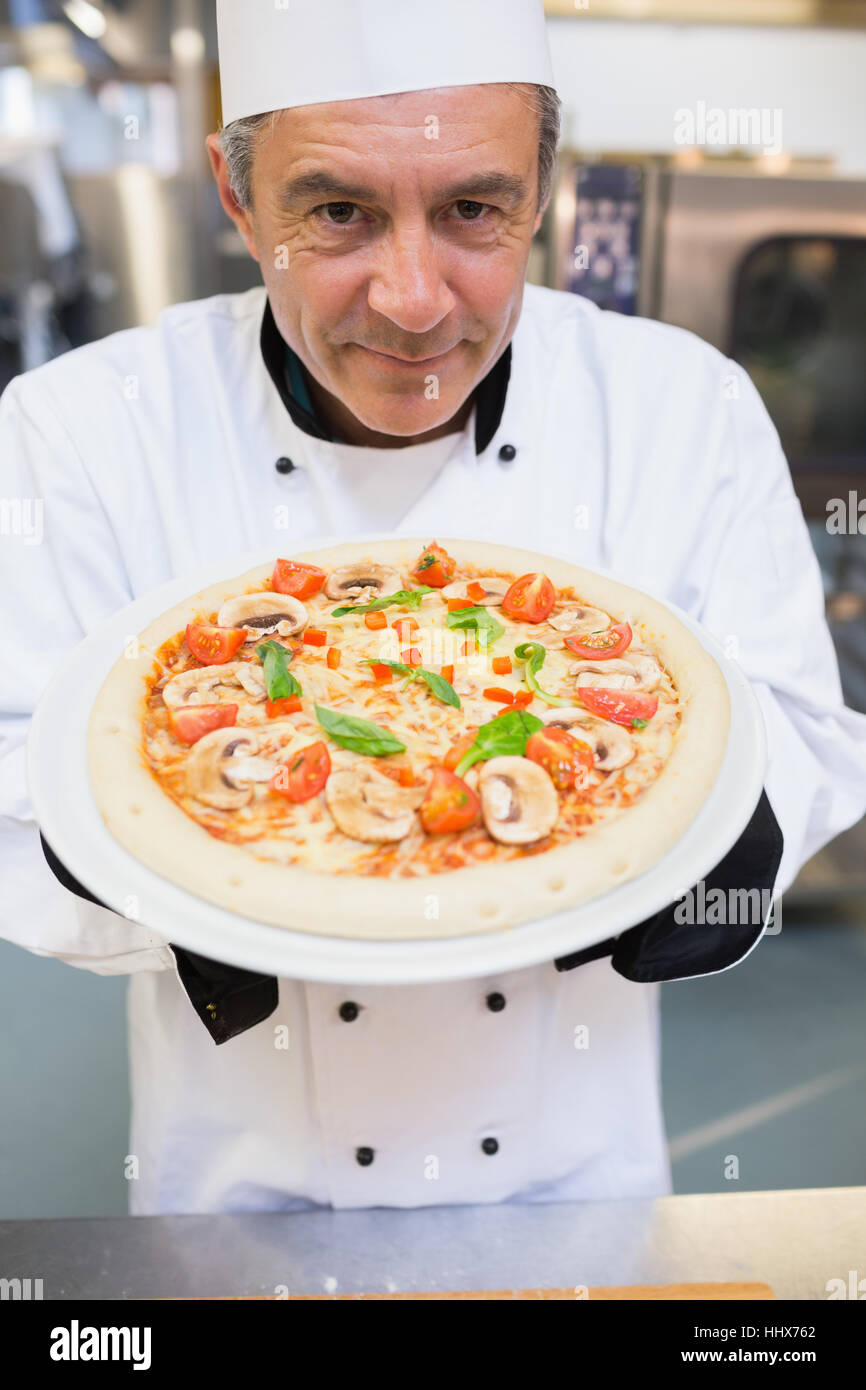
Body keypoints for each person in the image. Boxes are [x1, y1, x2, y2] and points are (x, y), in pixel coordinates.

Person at [1, 0, 865, 1215]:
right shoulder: (85, 427)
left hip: (580, 1186)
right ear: (239, 202)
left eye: (472, 209)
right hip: (237, 1190)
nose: (413, 301)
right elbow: (12, 776)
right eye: (338, 210)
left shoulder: (682, 405)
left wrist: (712, 851)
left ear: (542, 192)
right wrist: (202, 876)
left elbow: (802, 728)